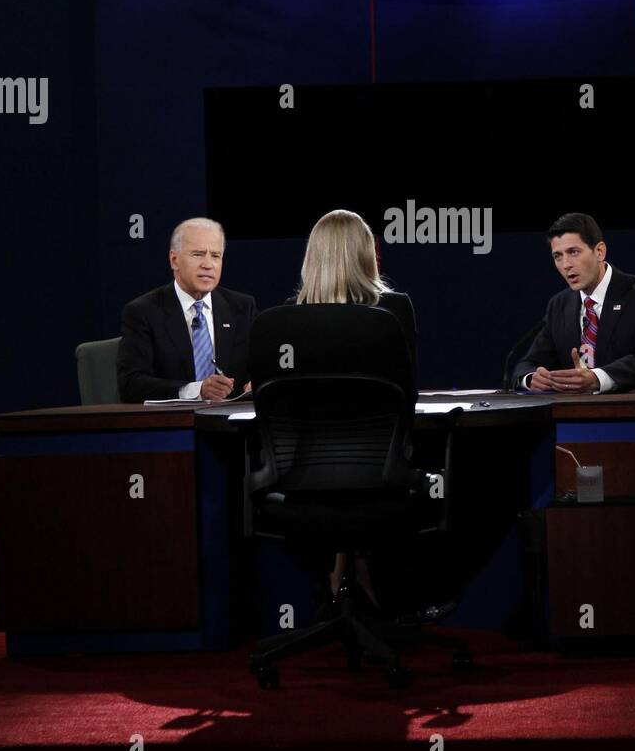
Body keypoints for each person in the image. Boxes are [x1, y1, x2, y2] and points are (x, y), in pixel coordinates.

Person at [289, 209, 418, 608]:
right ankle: (372, 577)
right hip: (380, 474)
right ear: (366, 255)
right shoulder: (393, 312)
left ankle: (342, 565)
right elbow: (406, 400)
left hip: (303, 478)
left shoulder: (286, 323)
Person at [512, 212, 635, 393]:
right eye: (558, 256)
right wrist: (531, 378)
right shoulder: (560, 304)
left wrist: (597, 378)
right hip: (577, 413)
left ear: (599, 252)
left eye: (573, 252)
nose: (566, 264)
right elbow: (528, 363)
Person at [117, 217, 257, 403]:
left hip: (232, 424)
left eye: (215, 255)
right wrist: (197, 390)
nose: (208, 264)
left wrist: (256, 383)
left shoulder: (242, 308)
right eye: (198, 254)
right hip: (172, 425)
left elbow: (262, 365)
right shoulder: (143, 312)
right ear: (174, 260)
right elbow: (131, 385)